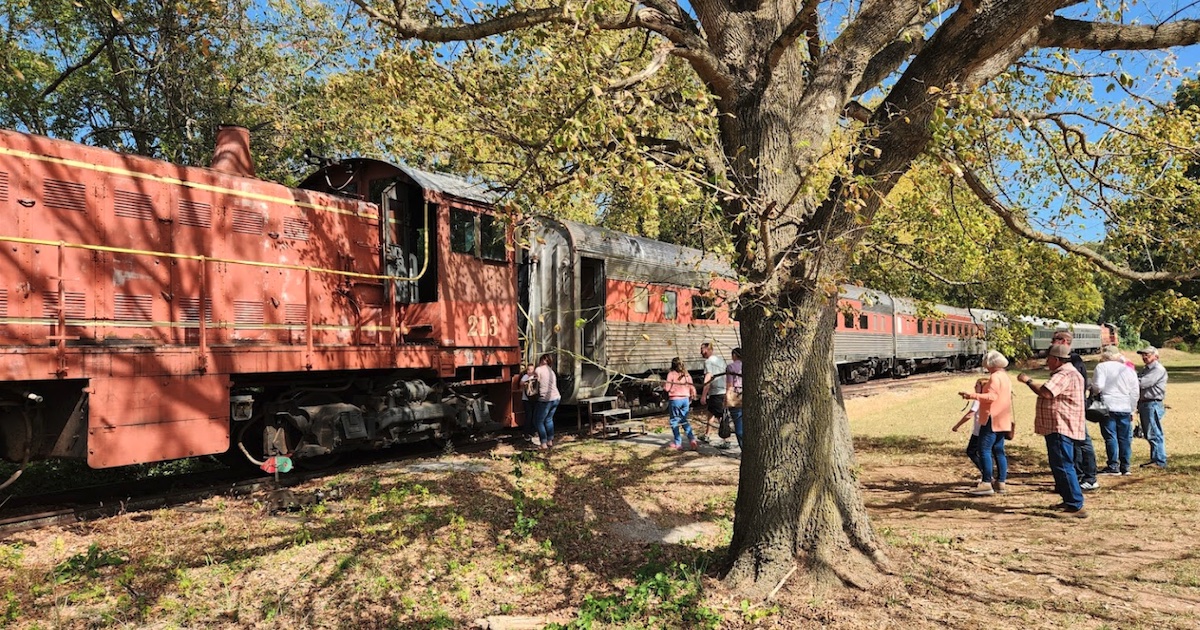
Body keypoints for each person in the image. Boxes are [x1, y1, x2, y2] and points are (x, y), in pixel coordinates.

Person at [1017, 344, 1088, 518]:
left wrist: (1028, 380)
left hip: (1060, 426)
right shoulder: (1069, 373)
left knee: (1063, 465)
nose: (1046, 362)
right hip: (1060, 425)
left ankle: (1075, 505)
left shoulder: (1064, 374)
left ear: (1056, 359)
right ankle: (1069, 500)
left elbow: (1046, 393)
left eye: (1048, 358)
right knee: (1061, 464)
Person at [958, 350, 1014, 495]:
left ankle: (986, 482)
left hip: (991, 418)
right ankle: (1001, 482)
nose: (986, 368)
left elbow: (992, 396)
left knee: (984, 450)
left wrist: (971, 395)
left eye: (987, 365)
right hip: (1003, 417)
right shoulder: (1006, 377)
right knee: (999, 450)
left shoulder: (995, 378)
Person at [1052, 330, 1099, 491]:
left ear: (1064, 341)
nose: (1052, 342)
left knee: (1082, 442)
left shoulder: (1074, 361)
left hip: (1074, 409)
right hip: (1069, 409)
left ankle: (1089, 477)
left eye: (1055, 340)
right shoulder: (1069, 360)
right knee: (1077, 443)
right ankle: (1077, 476)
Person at [1091, 346, 1138, 475]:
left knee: (1111, 436)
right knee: (1124, 437)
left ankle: (1113, 465)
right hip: (1125, 406)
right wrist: (1132, 409)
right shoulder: (1128, 370)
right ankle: (1125, 466)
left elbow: (1098, 386)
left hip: (1108, 405)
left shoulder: (1101, 367)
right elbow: (1135, 391)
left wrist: (1094, 390)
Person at [1136, 346, 1168, 469]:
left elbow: (1142, 383)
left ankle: (1159, 460)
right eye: (1143, 355)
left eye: (1147, 355)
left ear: (1156, 356)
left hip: (1152, 403)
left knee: (1154, 432)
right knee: (1149, 432)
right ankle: (1155, 458)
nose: (1144, 357)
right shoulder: (1146, 369)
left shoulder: (1157, 369)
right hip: (1145, 403)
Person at [953, 377, 988, 481]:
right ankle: (987, 475)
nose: (974, 387)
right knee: (985, 452)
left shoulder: (978, 399)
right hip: (986, 430)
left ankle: (986, 475)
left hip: (979, 431)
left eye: (977, 385)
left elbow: (970, 414)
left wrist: (957, 425)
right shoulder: (986, 398)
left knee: (972, 451)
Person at [663, 357, 698, 450]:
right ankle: (692, 439)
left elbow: (667, 388)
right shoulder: (686, 375)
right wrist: (692, 395)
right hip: (685, 399)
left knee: (674, 421)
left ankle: (678, 443)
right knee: (684, 420)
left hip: (675, 400)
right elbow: (692, 387)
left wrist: (664, 385)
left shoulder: (671, 374)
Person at [699, 342, 729, 448]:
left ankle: (726, 440)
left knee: (720, 416)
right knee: (711, 413)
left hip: (717, 392)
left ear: (708, 349)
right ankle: (707, 435)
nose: (701, 352)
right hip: (722, 391)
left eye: (702, 349)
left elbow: (708, 378)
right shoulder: (721, 360)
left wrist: (703, 395)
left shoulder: (708, 362)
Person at [532, 353, 561, 450]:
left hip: (545, 399)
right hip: (556, 397)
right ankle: (550, 441)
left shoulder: (538, 369)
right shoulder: (551, 371)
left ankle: (543, 443)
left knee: (539, 421)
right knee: (548, 419)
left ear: (541, 361)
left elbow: (534, 381)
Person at [725, 348, 744, 448]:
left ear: (734, 355)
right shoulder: (749, 366)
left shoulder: (731, 367)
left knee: (739, 426)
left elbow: (730, 385)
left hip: (736, 397)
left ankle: (744, 450)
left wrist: (727, 398)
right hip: (749, 396)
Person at [519, 363, 537, 442]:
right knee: (528, 416)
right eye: (529, 370)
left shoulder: (535, 377)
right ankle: (526, 432)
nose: (530, 371)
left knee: (534, 415)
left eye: (531, 370)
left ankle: (533, 431)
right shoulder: (525, 376)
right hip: (526, 399)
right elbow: (521, 383)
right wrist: (527, 381)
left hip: (533, 399)